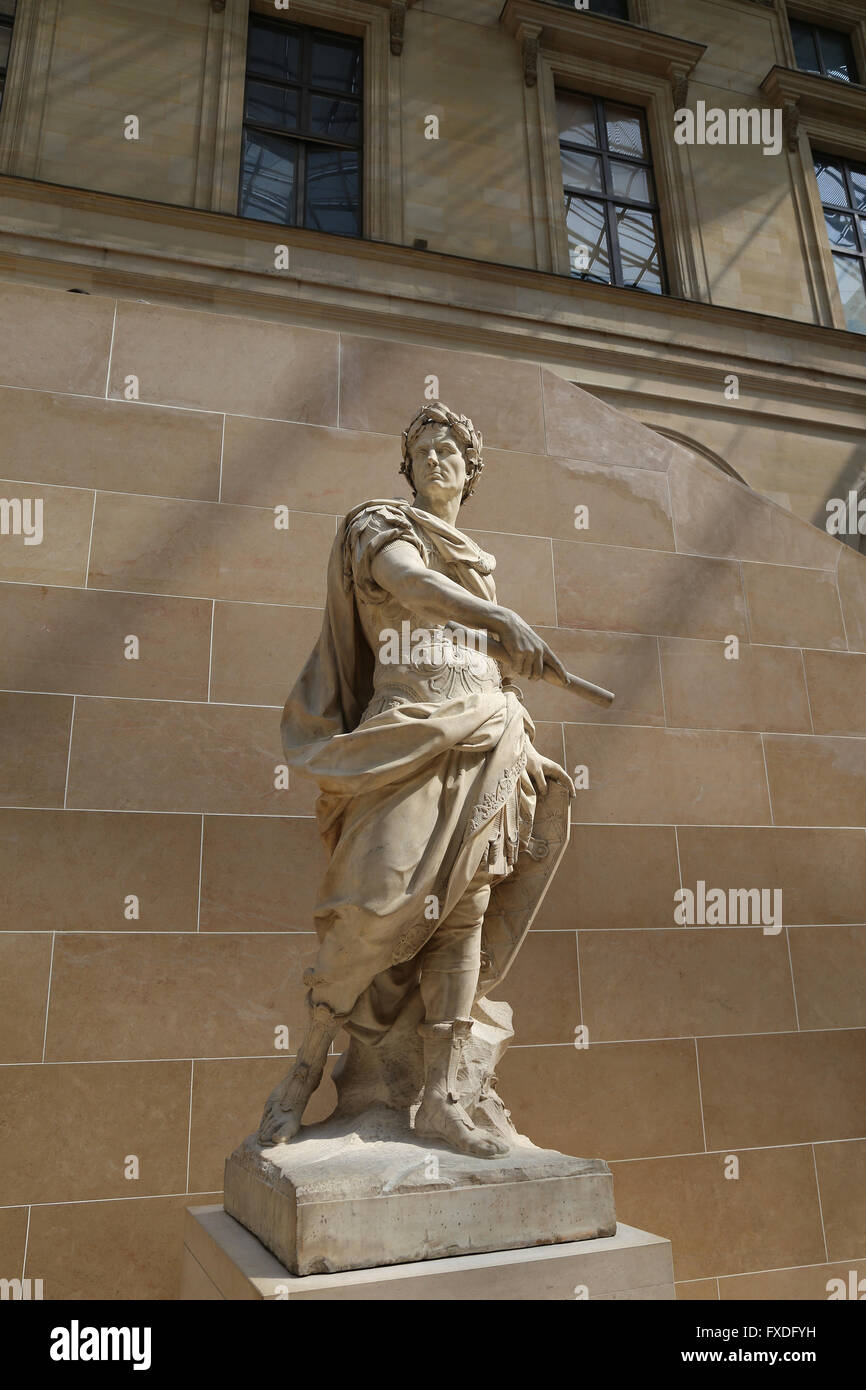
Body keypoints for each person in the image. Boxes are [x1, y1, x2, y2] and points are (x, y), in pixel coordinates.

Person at [257, 401, 574, 1158]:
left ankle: (442, 1096)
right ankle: (303, 1072)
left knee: (464, 909)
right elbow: (412, 585)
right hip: (406, 733)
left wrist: (511, 680)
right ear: (408, 469)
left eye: (450, 452)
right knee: (368, 905)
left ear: (471, 471)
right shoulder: (380, 526)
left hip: (487, 734)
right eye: (424, 451)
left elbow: (483, 651)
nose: (437, 461)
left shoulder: (476, 559)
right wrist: (502, 622)